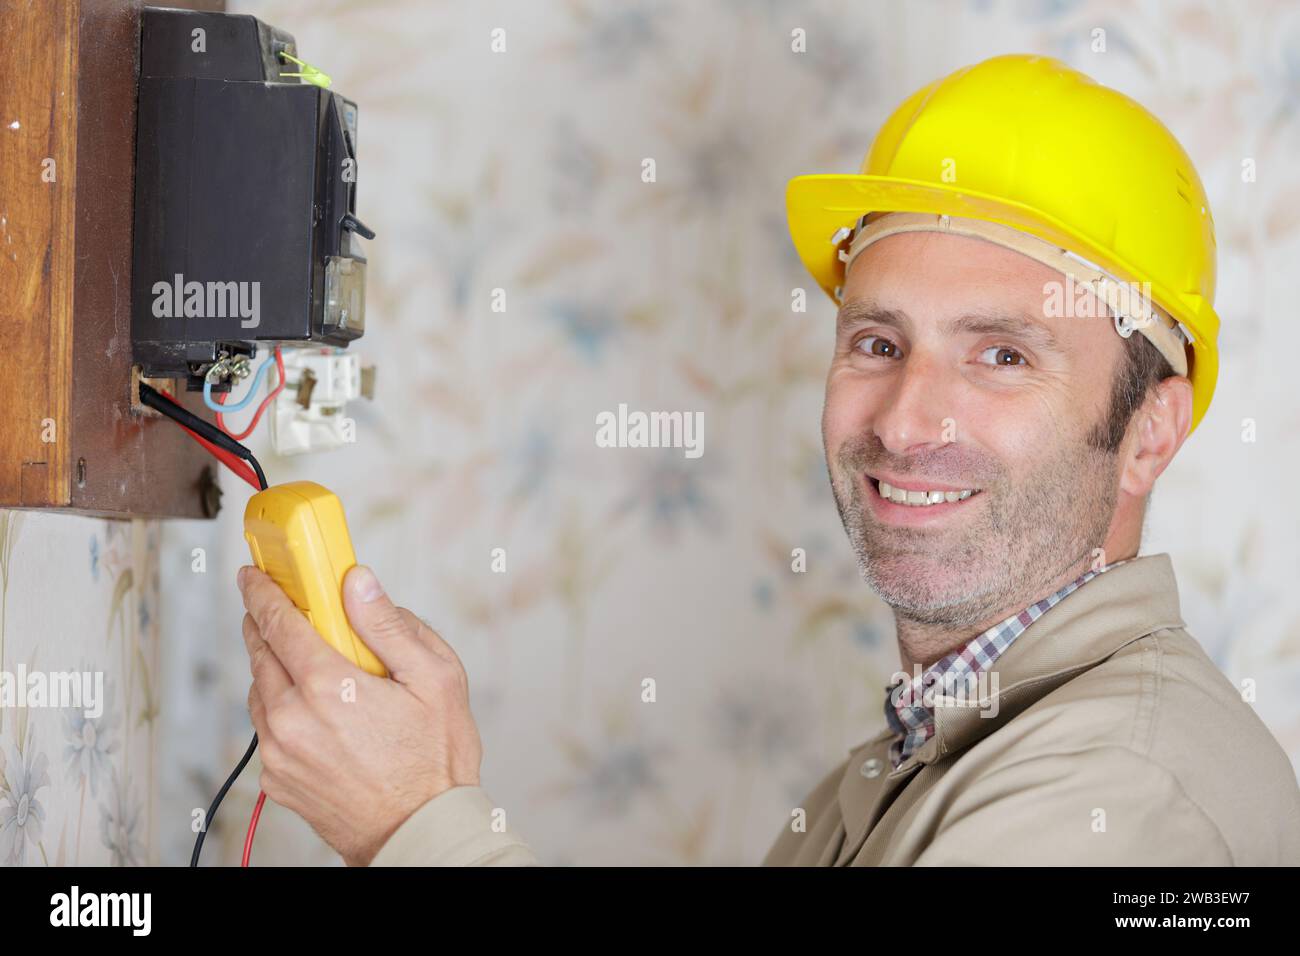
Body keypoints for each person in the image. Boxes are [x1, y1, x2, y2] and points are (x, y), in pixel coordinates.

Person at [236, 54, 1300, 866]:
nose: (904, 418)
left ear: (1150, 430)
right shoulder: (917, 756)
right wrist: (431, 790)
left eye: (1003, 355)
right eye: (878, 343)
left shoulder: (1117, 790)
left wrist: (416, 825)